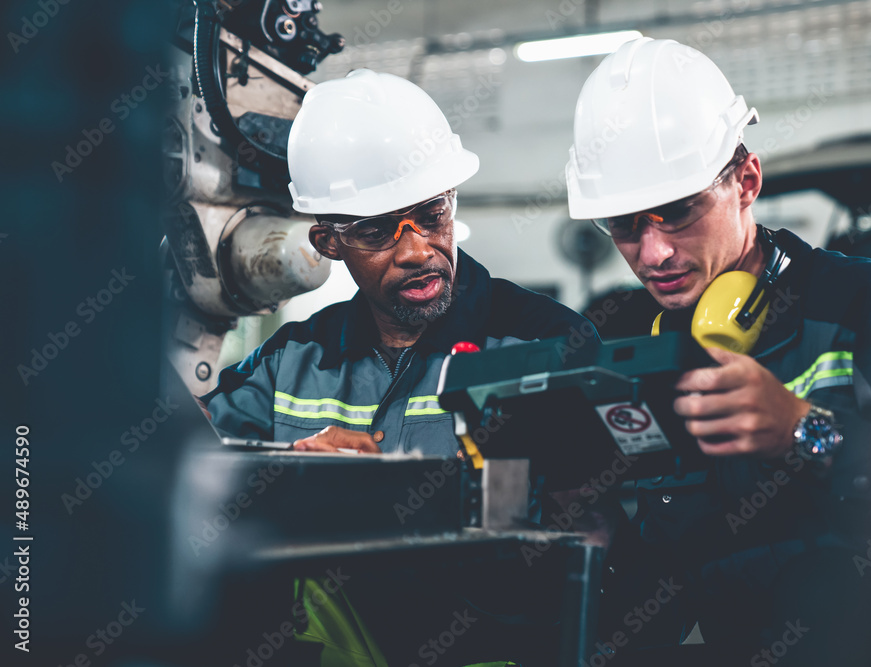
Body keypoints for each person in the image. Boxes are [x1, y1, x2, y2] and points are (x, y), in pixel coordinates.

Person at [566, 38, 871, 666]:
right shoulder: (642, 354)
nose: (651, 254)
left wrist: (806, 431)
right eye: (623, 226)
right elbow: (671, 580)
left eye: (676, 213)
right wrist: (606, 541)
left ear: (746, 182)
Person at [201, 69, 590, 666]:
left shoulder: (546, 343)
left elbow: (590, 546)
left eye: (431, 214)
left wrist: (386, 499)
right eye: (379, 231)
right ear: (329, 243)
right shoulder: (291, 363)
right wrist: (296, 475)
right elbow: (189, 473)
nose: (417, 250)